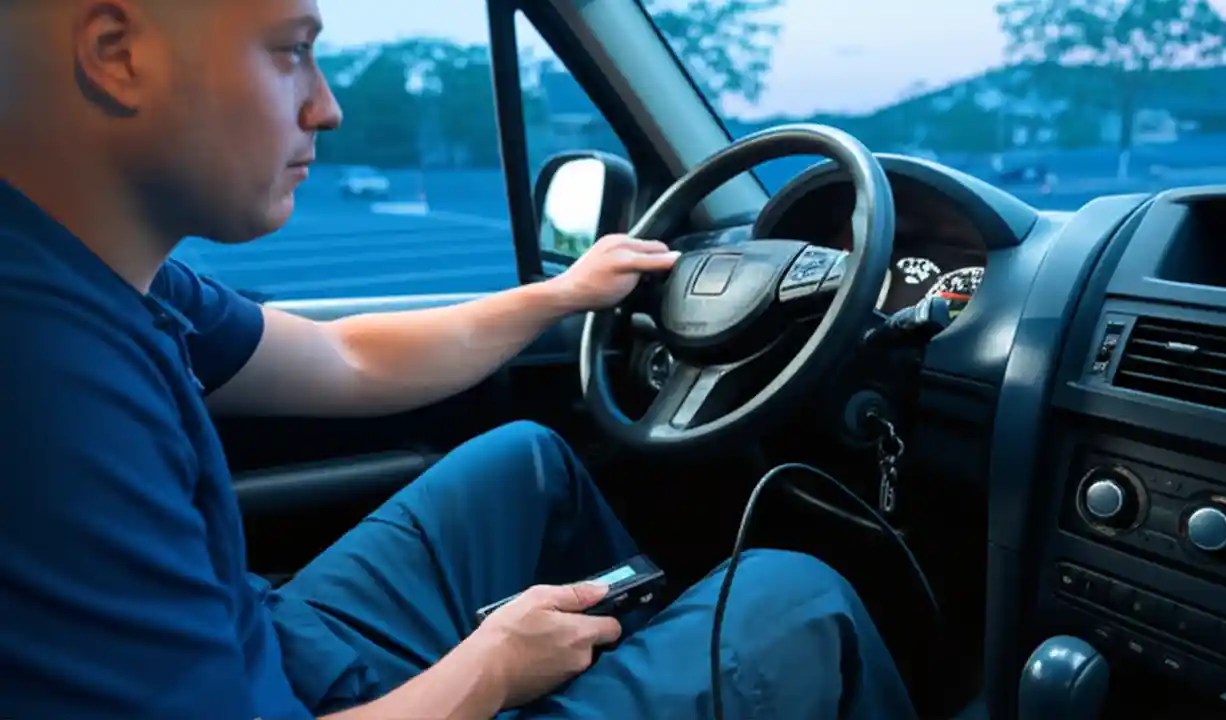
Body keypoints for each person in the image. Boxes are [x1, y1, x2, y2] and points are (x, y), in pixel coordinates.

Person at [0, 1, 918, 718]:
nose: (326, 103)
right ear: (117, 54)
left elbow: (344, 355)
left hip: (261, 646)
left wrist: (564, 293)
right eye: (288, 50)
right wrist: (491, 670)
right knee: (793, 603)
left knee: (530, 464)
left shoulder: (104, 274)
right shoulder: (49, 389)